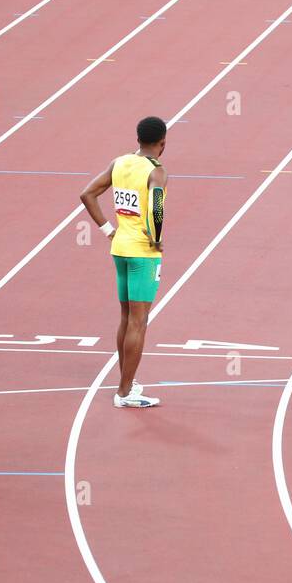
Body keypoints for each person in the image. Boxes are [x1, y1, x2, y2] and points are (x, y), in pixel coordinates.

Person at [80, 116, 168, 408]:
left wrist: (108, 230)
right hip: (143, 253)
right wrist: (156, 239)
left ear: (138, 138)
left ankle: (126, 381)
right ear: (162, 143)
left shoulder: (120, 162)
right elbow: (156, 207)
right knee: (139, 322)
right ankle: (125, 391)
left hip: (119, 249)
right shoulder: (156, 171)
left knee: (126, 318)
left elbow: (87, 193)